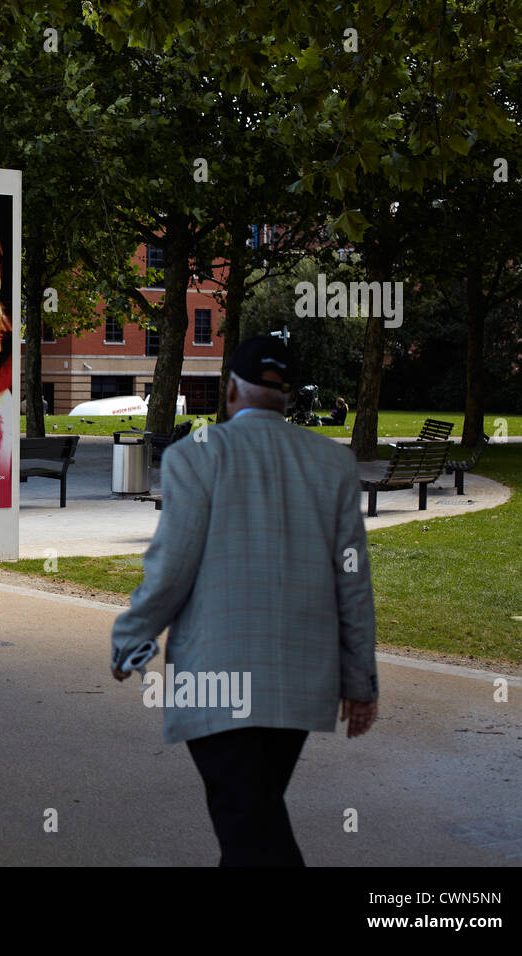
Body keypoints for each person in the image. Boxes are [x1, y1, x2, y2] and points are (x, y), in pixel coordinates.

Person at [109, 335, 378, 867]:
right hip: (301, 680)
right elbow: (353, 580)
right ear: (287, 397)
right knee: (250, 823)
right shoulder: (334, 464)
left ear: (230, 389)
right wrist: (359, 681)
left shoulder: (195, 456)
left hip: (214, 679)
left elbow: (172, 567)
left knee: (251, 834)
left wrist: (129, 637)